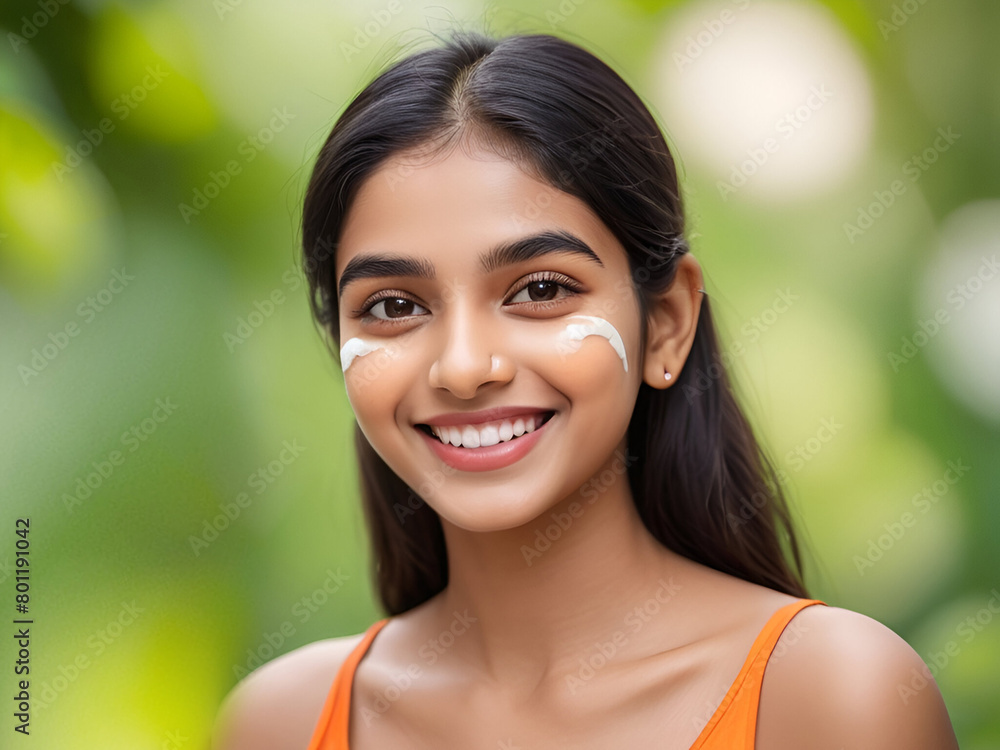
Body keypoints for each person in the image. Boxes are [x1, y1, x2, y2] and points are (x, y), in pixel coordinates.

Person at [213, 30, 958, 749]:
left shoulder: (832, 695)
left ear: (665, 324)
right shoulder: (281, 722)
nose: (465, 367)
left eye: (539, 289)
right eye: (395, 306)